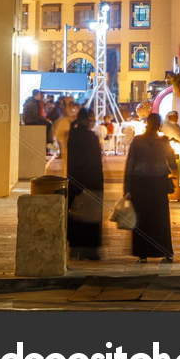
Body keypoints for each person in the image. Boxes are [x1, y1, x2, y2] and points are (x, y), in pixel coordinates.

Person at [123, 114, 175, 263]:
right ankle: (165, 251)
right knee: (160, 219)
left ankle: (143, 252)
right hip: (158, 184)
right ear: (159, 125)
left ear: (147, 124)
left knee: (142, 218)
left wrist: (127, 188)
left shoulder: (138, 141)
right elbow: (172, 163)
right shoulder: (163, 141)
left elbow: (130, 165)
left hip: (140, 183)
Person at [65, 107, 105, 260]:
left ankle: (75, 248)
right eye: (92, 119)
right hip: (91, 181)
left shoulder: (73, 135)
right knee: (91, 217)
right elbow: (95, 163)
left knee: (76, 215)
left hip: (75, 180)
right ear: (86, 120)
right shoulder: (90, 137)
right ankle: (90, 249)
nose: (93, 121)